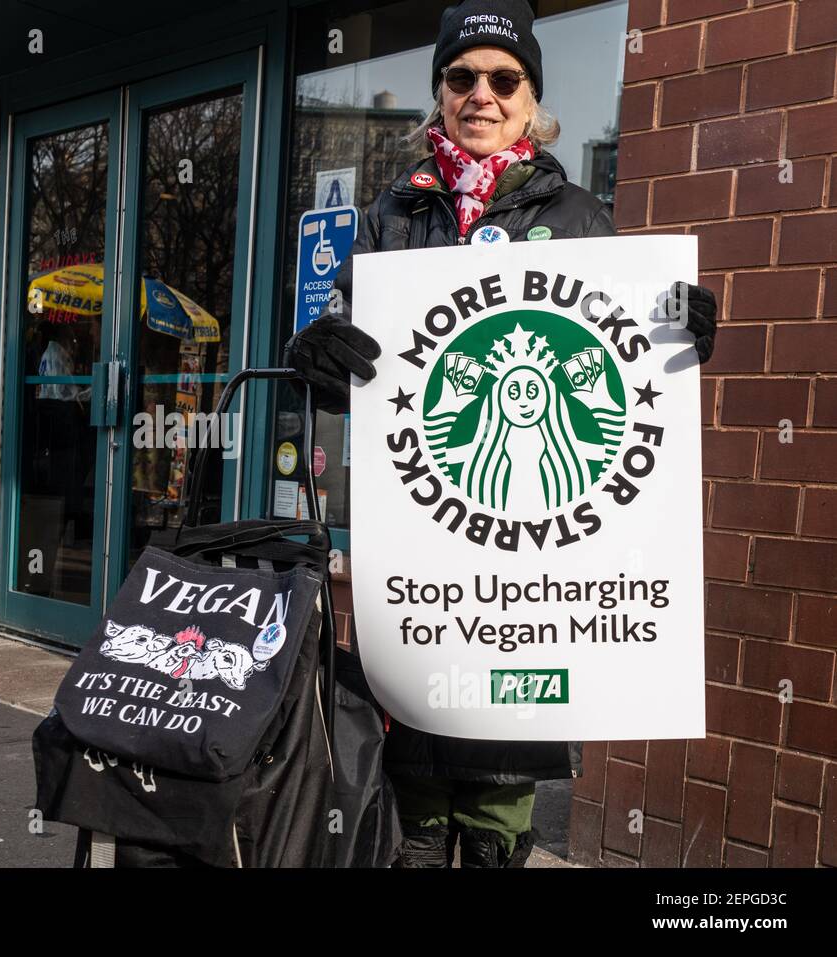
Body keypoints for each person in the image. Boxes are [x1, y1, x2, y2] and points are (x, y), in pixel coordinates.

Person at [284, 0, 718, 868]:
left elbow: (622, 367)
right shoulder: (389, 218)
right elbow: (344, 347)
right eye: (461, 77)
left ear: (531, 98)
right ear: (440, 91)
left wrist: (680, 330)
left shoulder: (585, 218)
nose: (481, 94)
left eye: (503, 78)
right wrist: (316, 354)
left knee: (494, 827)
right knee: (406, 819)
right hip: (424, 552)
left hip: (533, 574)